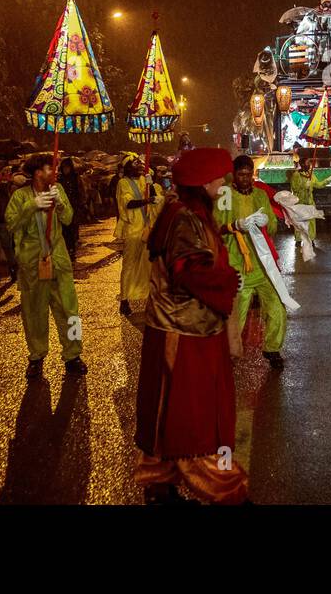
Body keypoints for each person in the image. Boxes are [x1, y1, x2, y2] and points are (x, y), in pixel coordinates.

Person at [134, 147, 249, 505]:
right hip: (182, 332)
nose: (223, 182)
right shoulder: (185, 217)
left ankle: (159, 483)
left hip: (190, 328)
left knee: (169, 412)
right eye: (217, 178)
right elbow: (188, 270)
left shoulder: (189, 211)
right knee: (192, 416)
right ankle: (223, 489)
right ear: (201, 182)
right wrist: (227, 280)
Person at [5, 154, 86, 380]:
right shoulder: (20, 196)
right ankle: (36, 357)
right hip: (33, 264)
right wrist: (32, 206)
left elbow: (69, 218)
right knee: (34, 314)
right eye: (51, 168)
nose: (55, 172)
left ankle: (74, 355)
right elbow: (11, 224)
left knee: (71, 311)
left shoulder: (57, 189)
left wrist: (60, 205)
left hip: (58, 260)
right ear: (38, 172)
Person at [216, 154, 286, 369]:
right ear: (234, 175)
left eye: (248, 174)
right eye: (241, 174)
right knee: (238, 314)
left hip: (263, 265)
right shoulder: (225, 194)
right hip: (237, 265)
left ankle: (272, 348)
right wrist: (234, 226)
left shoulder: (260, 194)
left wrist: (266, 223)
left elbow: (272, 225)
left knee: (277, 308)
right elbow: (216, 226)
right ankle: (228, 354)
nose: (245, 178)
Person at [115, 157, 157, 315]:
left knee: (148, 265)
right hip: (132, 230)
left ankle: (149, 298)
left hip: (146, 228)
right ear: (127, 167)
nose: (139, 165)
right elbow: (129, 203)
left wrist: (150, 184)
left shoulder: (142, 179)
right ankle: (124, 300)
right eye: (135, 163)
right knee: (129, 266)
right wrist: (147, 200)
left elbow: (153, 198)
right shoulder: (123, 183)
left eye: (139, 163)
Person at [288, 153, 331, 247]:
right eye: (307, 163)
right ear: (302, 164)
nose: (309, 164)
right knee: (299, 222)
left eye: (309, 162)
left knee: (311, 222)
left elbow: (318, 184)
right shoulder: (296, 175)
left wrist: (327, 180)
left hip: (309, 202)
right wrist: (303, 186)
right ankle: (298, 240)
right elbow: (294, 188)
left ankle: (311, 239)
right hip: (299, 202)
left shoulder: (311, 174)